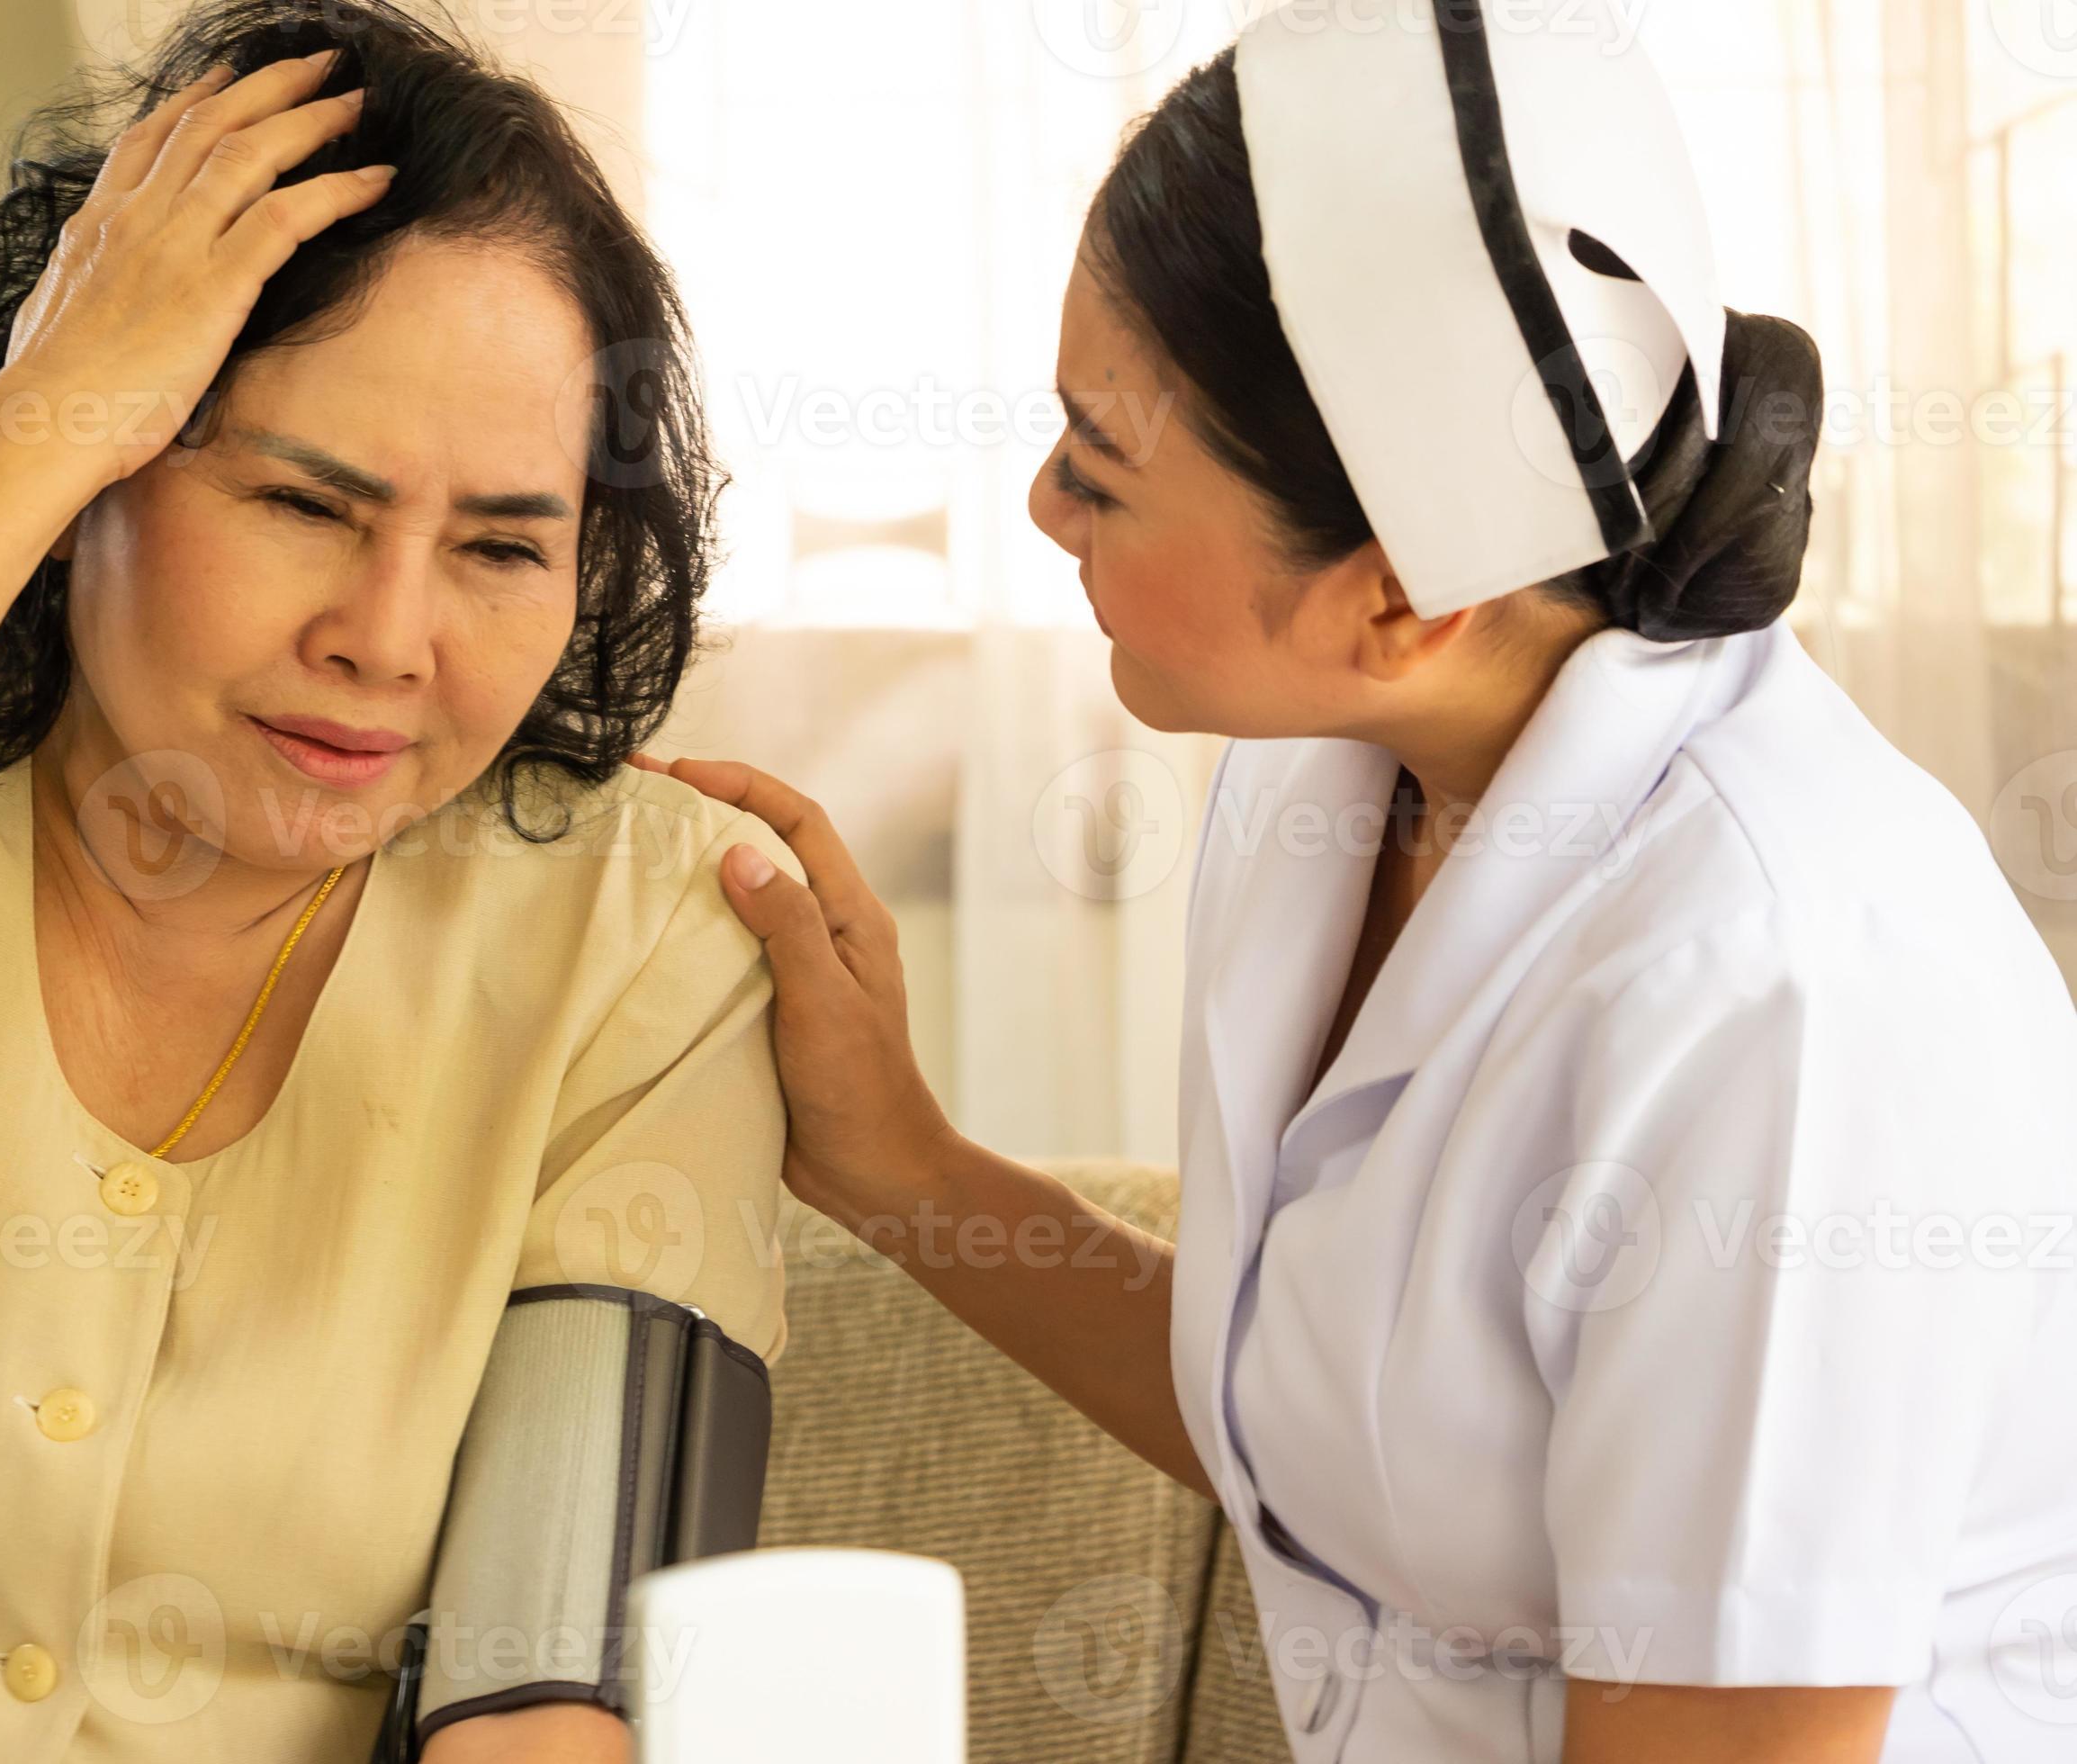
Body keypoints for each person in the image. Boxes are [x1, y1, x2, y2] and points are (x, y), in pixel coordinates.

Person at [641, 6, 2077, 1760]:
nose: (1038, 504)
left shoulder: (1786, 1002)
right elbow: (1305, 1423)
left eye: (1098, 466)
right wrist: (905, 1164)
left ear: (1400, 594)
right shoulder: (1330, 775)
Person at [0, 5, 793, 1761]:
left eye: (500, 545)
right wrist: (56, 395)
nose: (387, 639)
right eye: (302, 503)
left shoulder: (648, 932)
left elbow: (554, 1687)